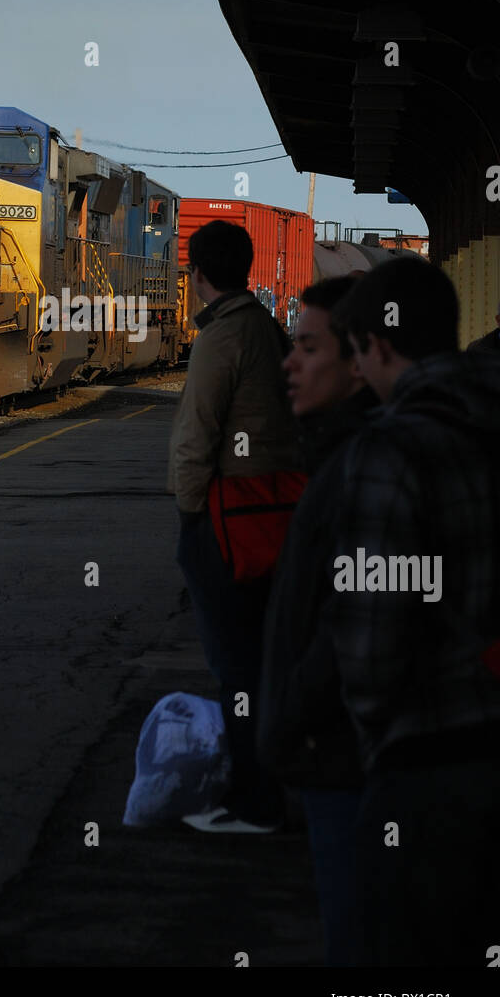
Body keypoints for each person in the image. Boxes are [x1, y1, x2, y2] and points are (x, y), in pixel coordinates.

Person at [325, 257, 500, 966]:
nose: (358, 374)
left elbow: (371, 651)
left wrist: (372, 733)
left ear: (380, 345)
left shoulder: (390, 449)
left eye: (357, 353)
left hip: (430, 769)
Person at [168, 219, 304, 833]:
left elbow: (196, 439)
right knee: (260, 663)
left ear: (196, 275)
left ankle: (254, 801)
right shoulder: (268, 329)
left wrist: (189, 515)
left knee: (236, 666)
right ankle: (264, 787)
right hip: (270, 516)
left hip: (227, 522)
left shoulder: (221, 339)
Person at [257, 276, 376, 965]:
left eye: (306, 346)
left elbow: (353, 627)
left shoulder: (362, 469)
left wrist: (286, 719)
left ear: (360, 359)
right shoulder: (340, 454)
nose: (289, 363)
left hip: (345, 761)